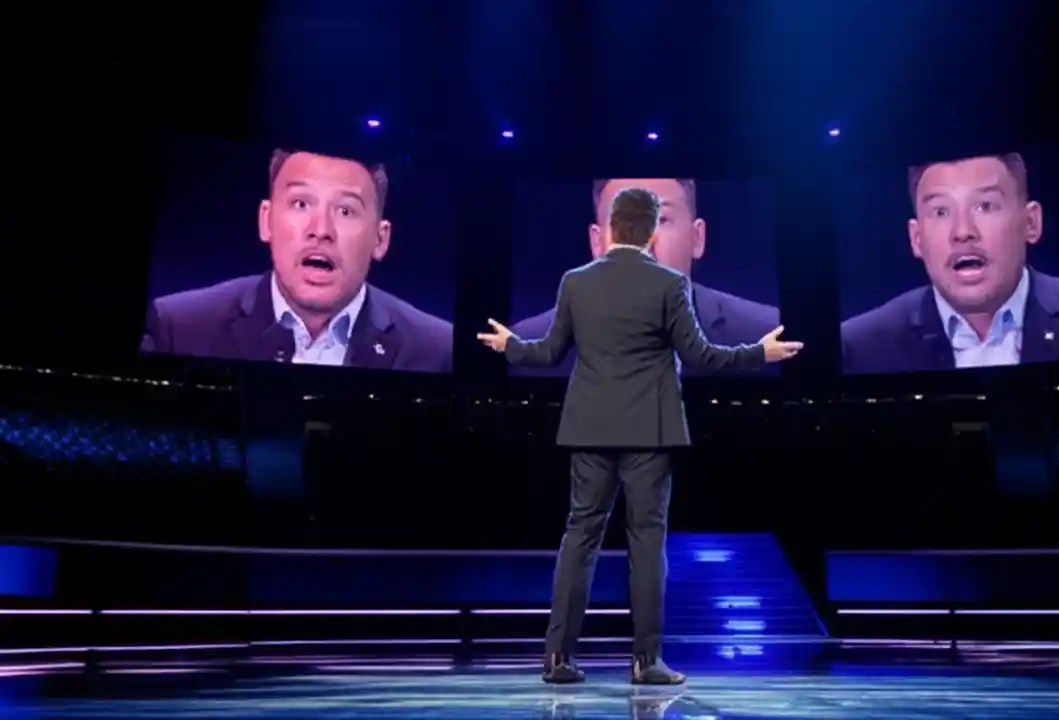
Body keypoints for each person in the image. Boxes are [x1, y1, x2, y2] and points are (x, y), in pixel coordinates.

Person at [478, 187, 802, 685]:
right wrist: (759, 353)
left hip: (588, 429)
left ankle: (557, 658)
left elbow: (547, 353)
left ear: (609, 229)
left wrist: (510, 346)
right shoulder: (669, 284)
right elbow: (703, 358)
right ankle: (645, 661)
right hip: (649, 432)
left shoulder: (575, 282)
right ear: (652, 233)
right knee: (647, 544)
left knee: (579, 538)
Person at [840, 152, 1059, 374]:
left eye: (985, 206)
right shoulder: (858, 347)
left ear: (1031, 222)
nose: (963, 232)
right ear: (916, 238)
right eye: (940, 211)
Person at [141, 148, 453, 372]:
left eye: (345, 211)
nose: (321, 230)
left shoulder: (437, 350)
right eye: (301, 203)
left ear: (380, 239)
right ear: (266, 220)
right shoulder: (178, 327)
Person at [509, 178, 779, 376]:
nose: (643, 240)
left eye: (660, 219)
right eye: (622, 223)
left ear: (697, 238)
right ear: (596, 243)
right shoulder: (529, 338)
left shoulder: (763, 329)